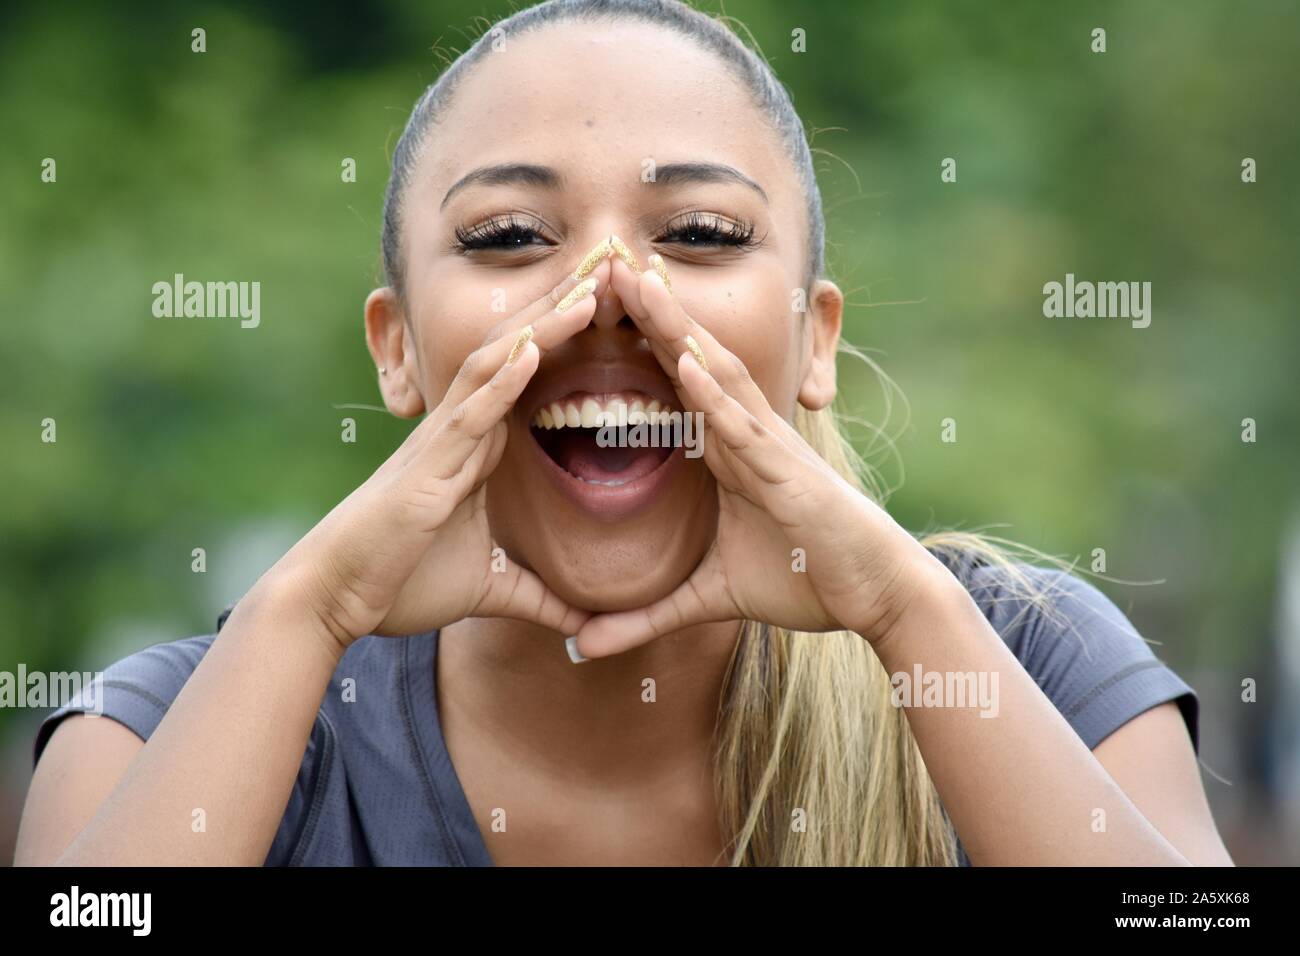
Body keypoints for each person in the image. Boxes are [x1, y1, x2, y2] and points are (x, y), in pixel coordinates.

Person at [15, 0, 1231, 866]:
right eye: (507, 237)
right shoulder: (157, 725)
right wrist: (307, 609)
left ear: (814, 341)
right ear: (395, 345)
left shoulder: (1026, 654)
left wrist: (901, 611)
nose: (604, 293)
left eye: (699, 235)